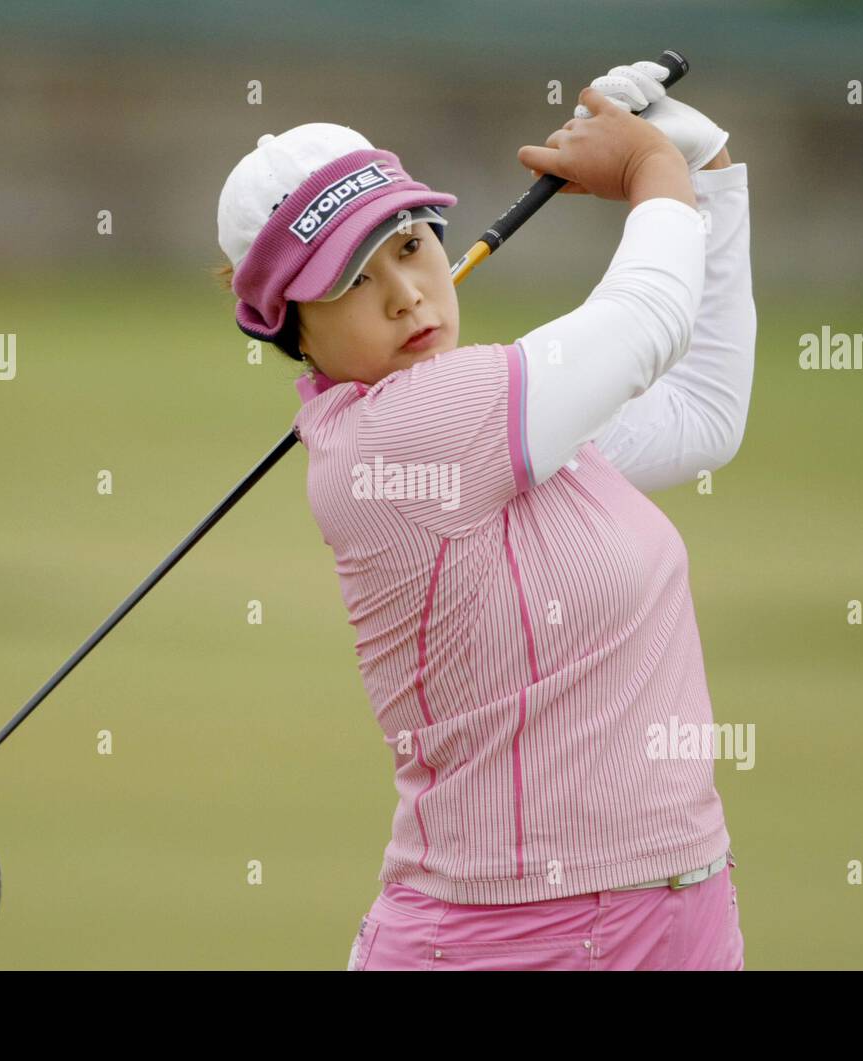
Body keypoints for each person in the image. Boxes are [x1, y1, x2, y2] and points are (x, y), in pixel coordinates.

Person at [214, 60, 755, 970]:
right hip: (504, 940)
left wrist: (710, 174)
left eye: (411, 242)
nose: (407, 293)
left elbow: (703, 413)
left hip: (682, 913)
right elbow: (646, 321)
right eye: (351, 278)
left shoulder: (496, 416)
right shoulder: (402, 437)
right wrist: (653, 174)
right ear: (288, 323)